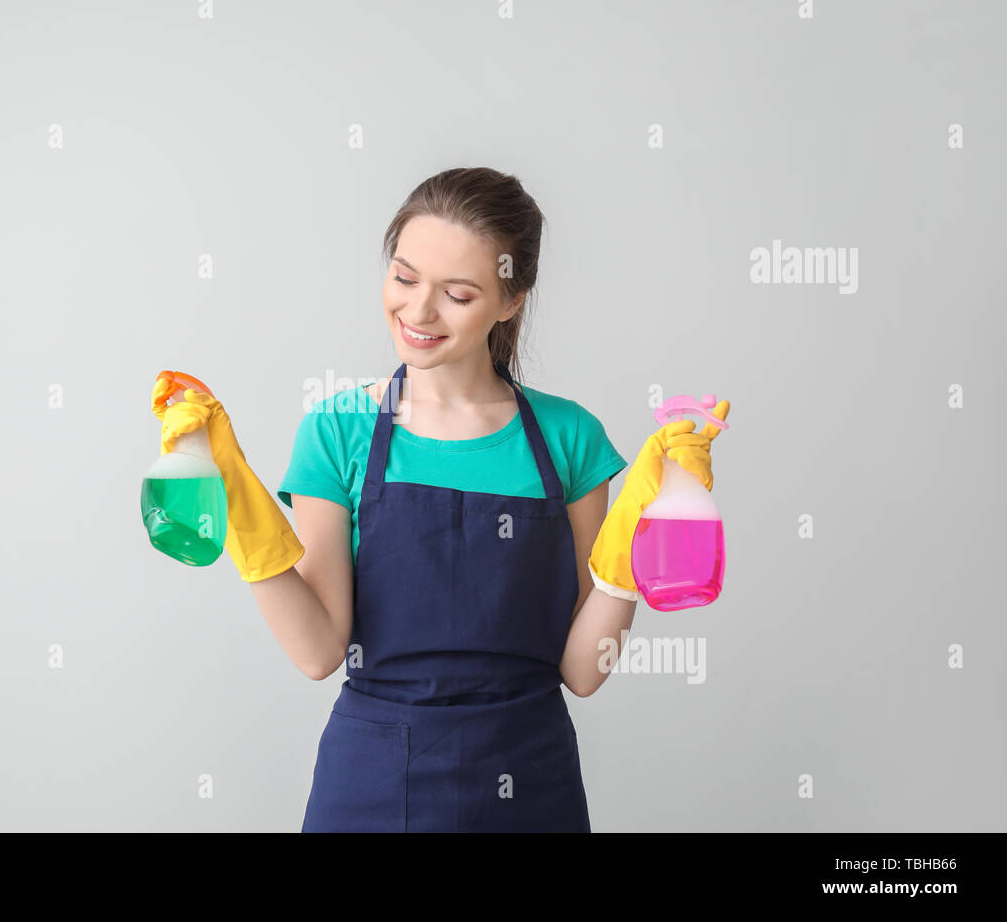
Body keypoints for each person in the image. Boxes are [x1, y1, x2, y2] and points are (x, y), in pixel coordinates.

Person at [151, 166, 729, 832]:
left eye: (457, 293)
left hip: (531, 779)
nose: (418, 312)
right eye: (403, 278)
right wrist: (237, 503)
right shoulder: (338, 431)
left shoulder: (571, 439)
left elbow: (582, 670)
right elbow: (317, 653)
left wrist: (632, 547)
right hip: (371, 781)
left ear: (510, 301)